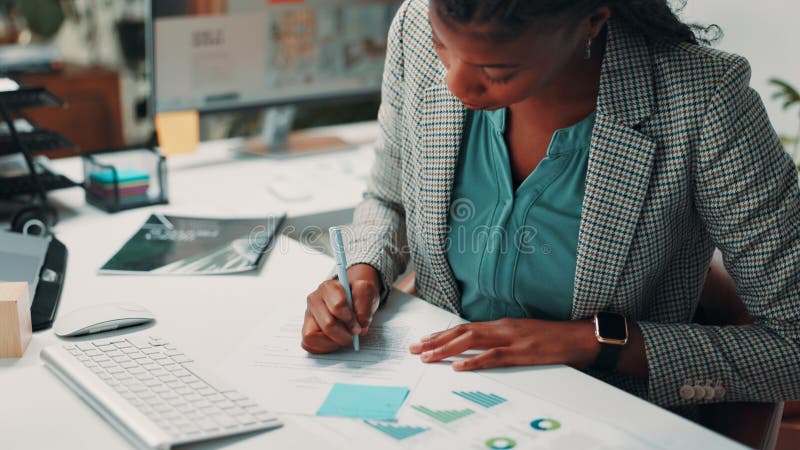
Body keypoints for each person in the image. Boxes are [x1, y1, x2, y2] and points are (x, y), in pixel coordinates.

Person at [301, 0, 800, 410]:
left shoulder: (702, 103)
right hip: (431, 390)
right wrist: (363, 270)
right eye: (441, 49)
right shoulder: (415, 23)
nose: (455, 85)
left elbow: (793, 346)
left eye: (497, 71)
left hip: (601, 411)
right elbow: (389, 197)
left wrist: (598, 343)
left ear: (591, 24)